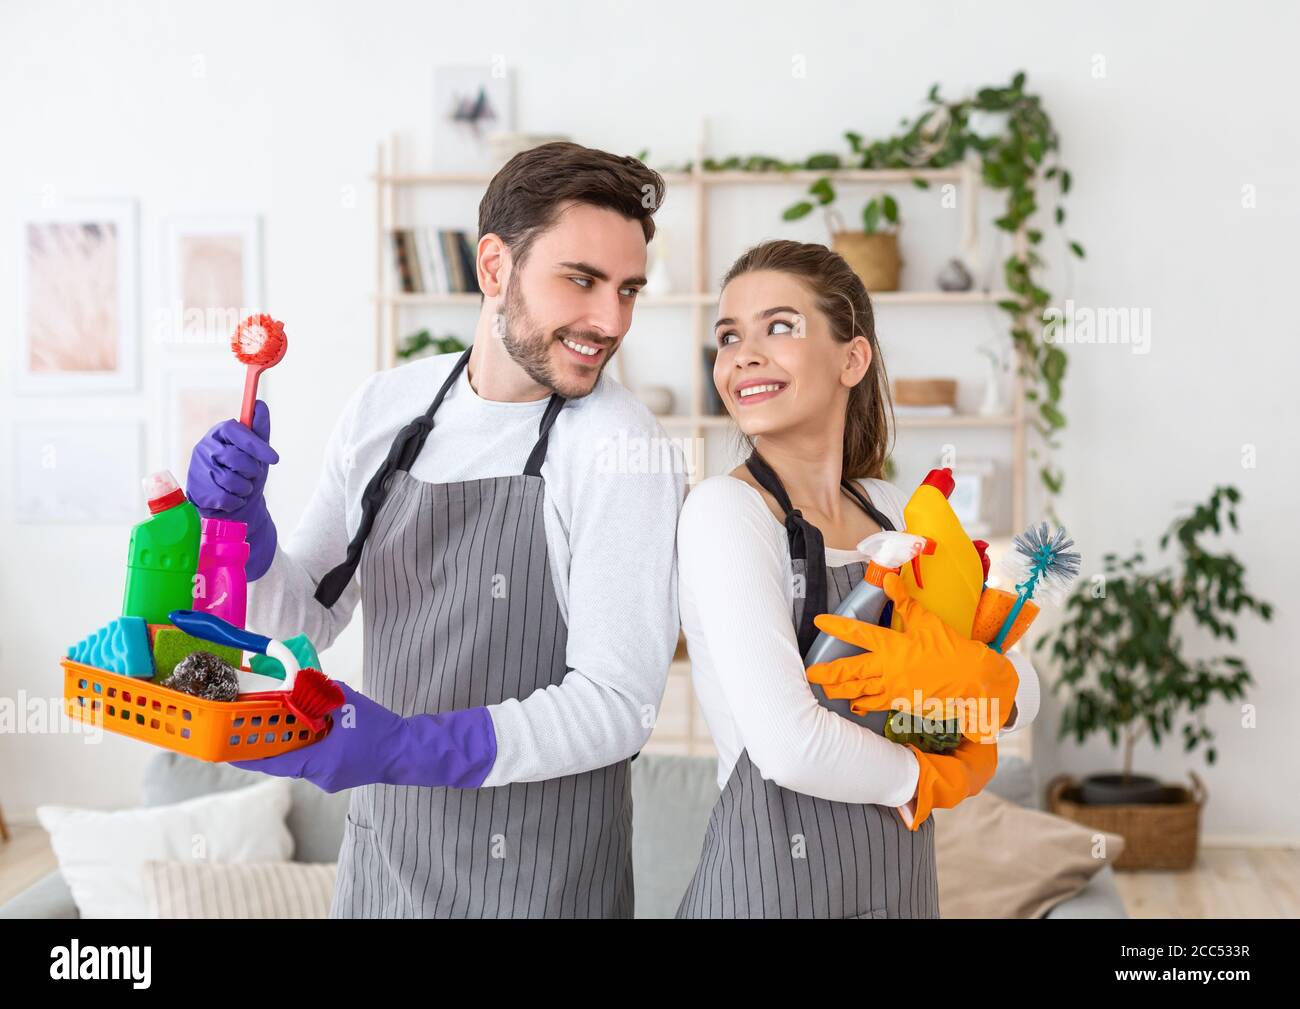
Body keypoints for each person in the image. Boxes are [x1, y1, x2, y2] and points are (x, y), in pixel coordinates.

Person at [185, 142, 686, 918]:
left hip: (539, 880)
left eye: (628, 290)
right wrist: (245, 528)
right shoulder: (387, 408)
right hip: (385, 861)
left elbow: (618, 704)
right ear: (495, 267)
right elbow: (304, 619)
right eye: (581, 281)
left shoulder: (622, 447)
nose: (610, 319)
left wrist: (409, 746)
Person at [674, 239, 1040, 918]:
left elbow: (1019, 690)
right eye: (728, 336)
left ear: (854, 357)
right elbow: (787, 746)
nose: (743, 354)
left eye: (779, 326)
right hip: (769, 891)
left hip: (900, 887)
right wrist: (924, 775)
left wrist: (987, 684)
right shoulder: (726, 512)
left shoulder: (896, 509)